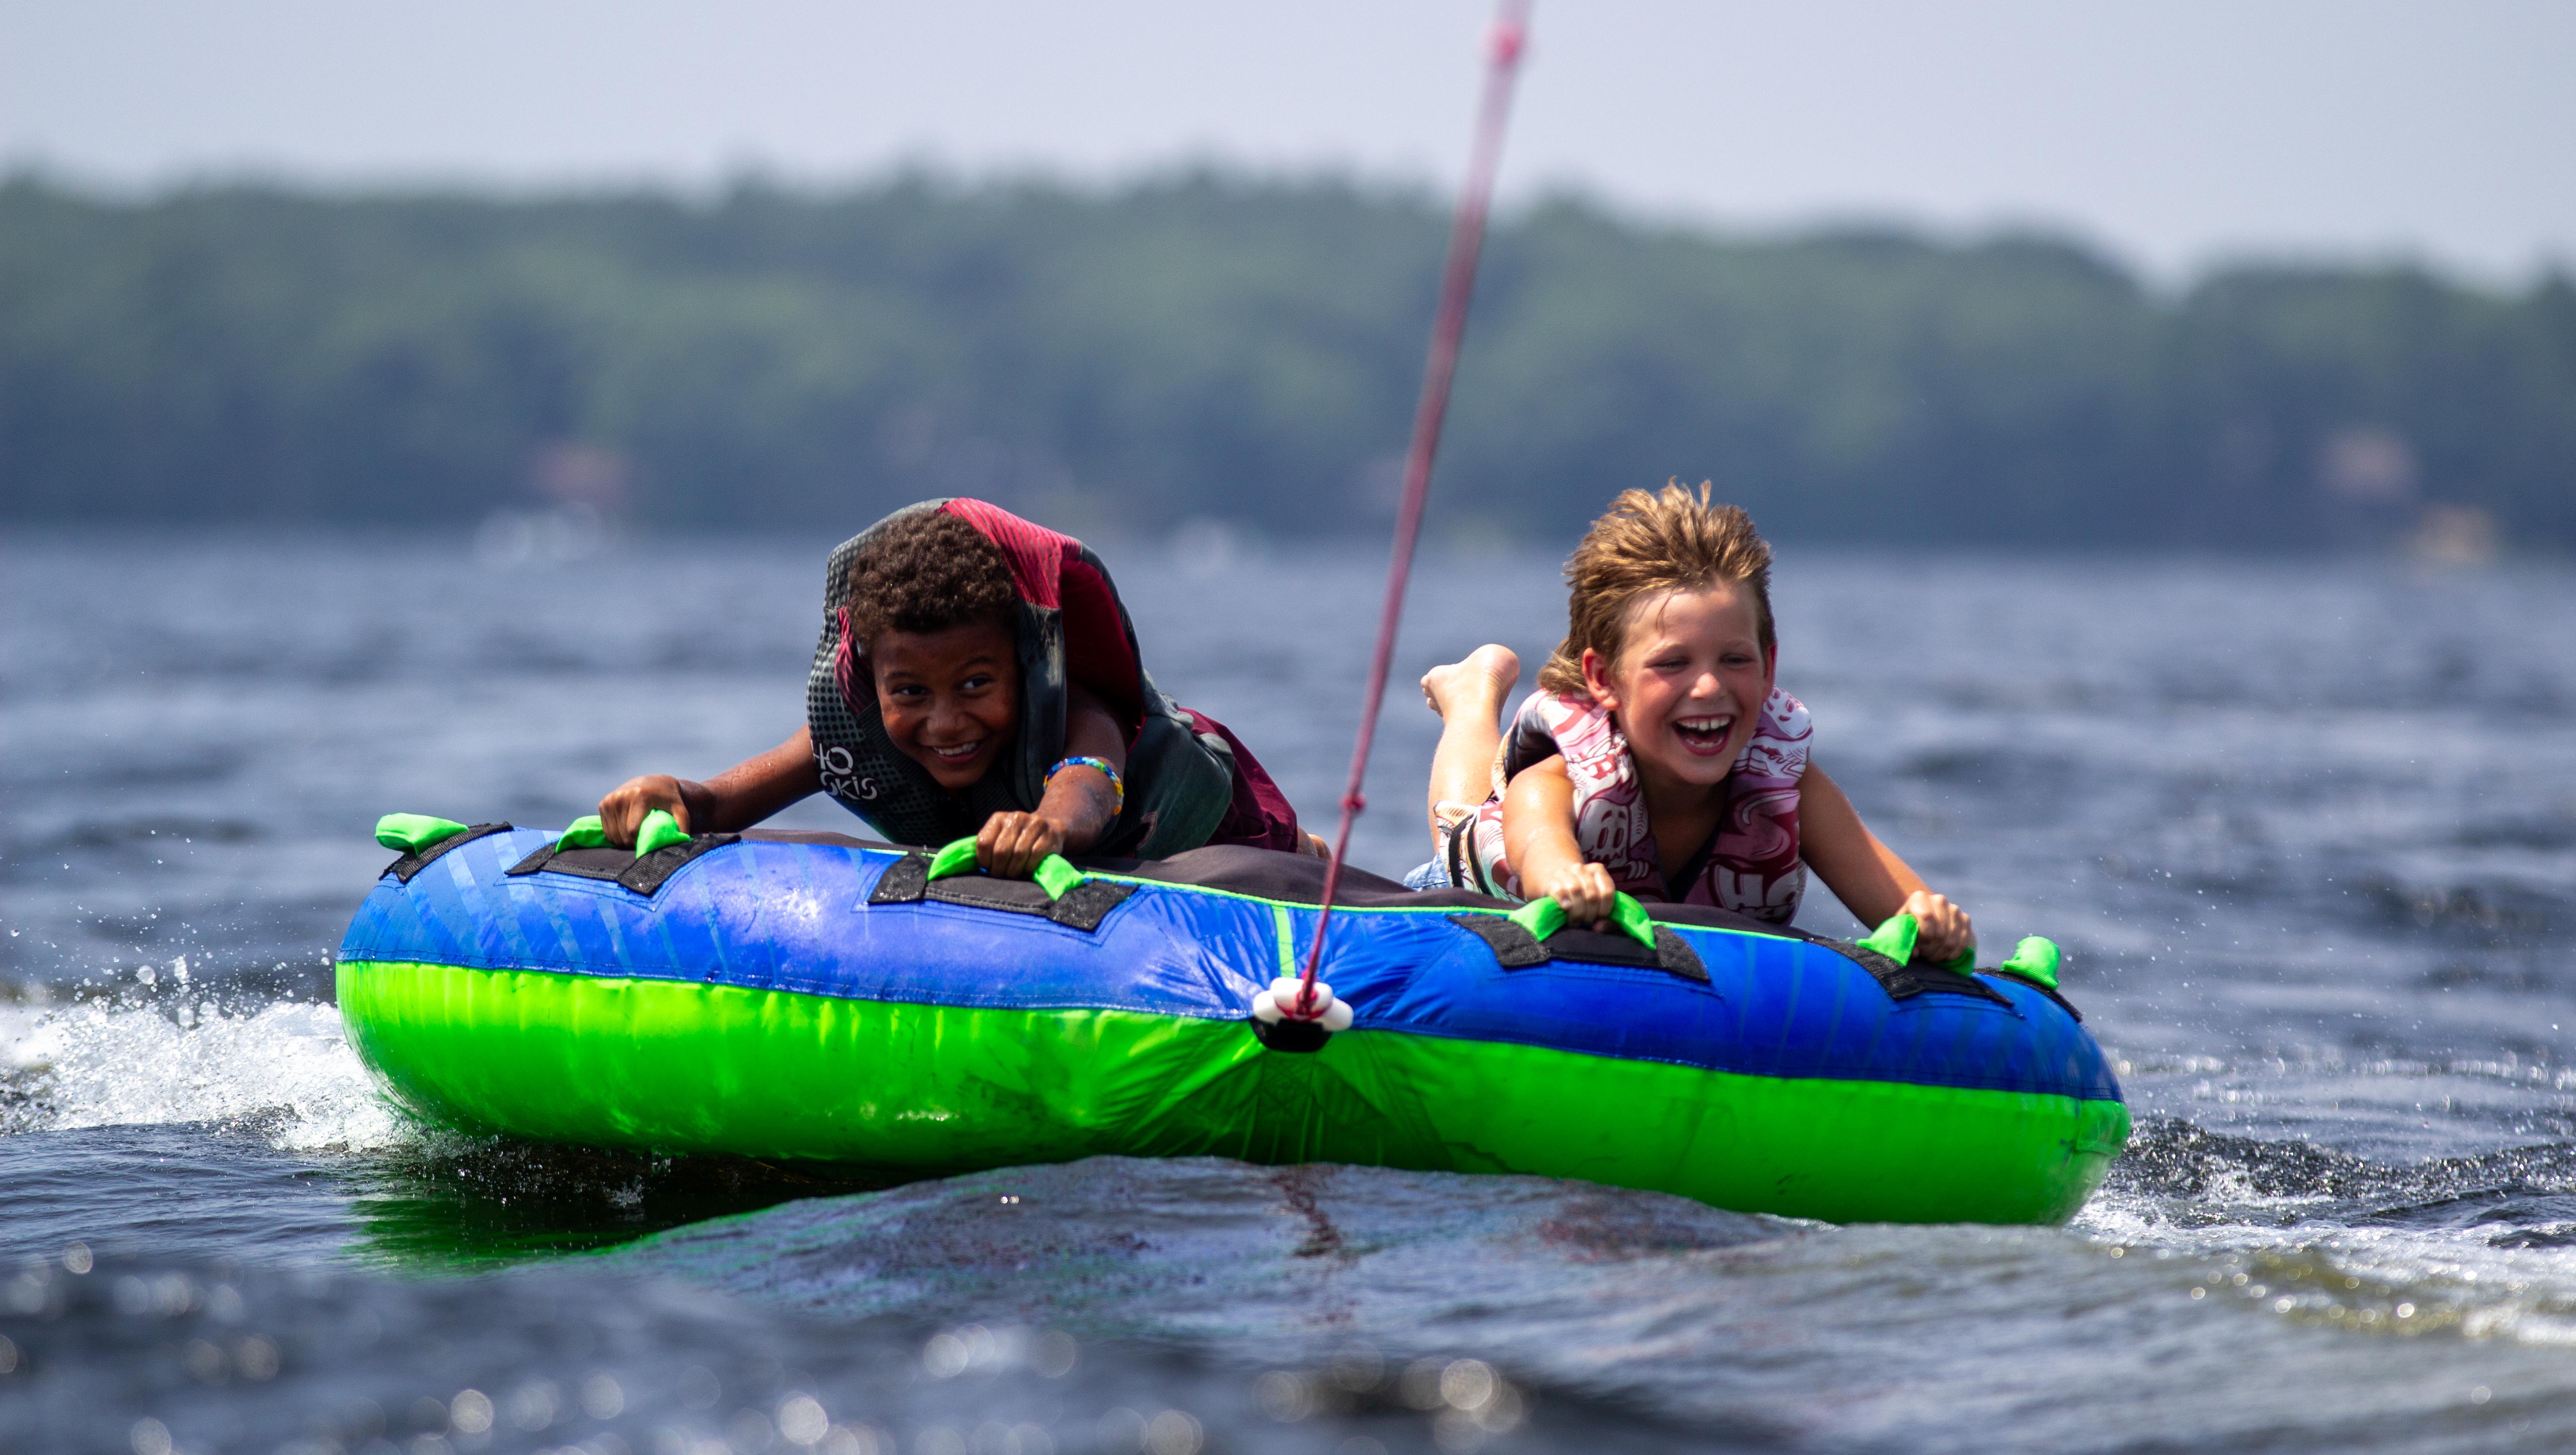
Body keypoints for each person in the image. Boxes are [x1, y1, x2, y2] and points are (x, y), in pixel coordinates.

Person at [1411, 481, 1975, 960]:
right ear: (1604, 678)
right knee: (1464, 819)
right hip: (1480, 885)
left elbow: (1901, 906)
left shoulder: (1788, 784)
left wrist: (1930, 924)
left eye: (1735, 660)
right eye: (1672, 664)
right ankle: (1471, 695)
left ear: (1769, 666)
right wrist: (1563, 880)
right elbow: (1539, 847)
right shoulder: (1554, 782)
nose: (1709, 687)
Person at [597, 498, 1314, 873]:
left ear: (1022, 666)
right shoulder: (849, 734)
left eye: (975, 684)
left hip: (1224, 838)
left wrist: (1050, 827)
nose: (945, 722)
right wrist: (671, 794)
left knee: (1293, 861)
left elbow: (1089, 784)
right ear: (873, 682)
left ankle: (1312, 852)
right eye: (910, 693)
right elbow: (718, 804)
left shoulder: (1079, 712)